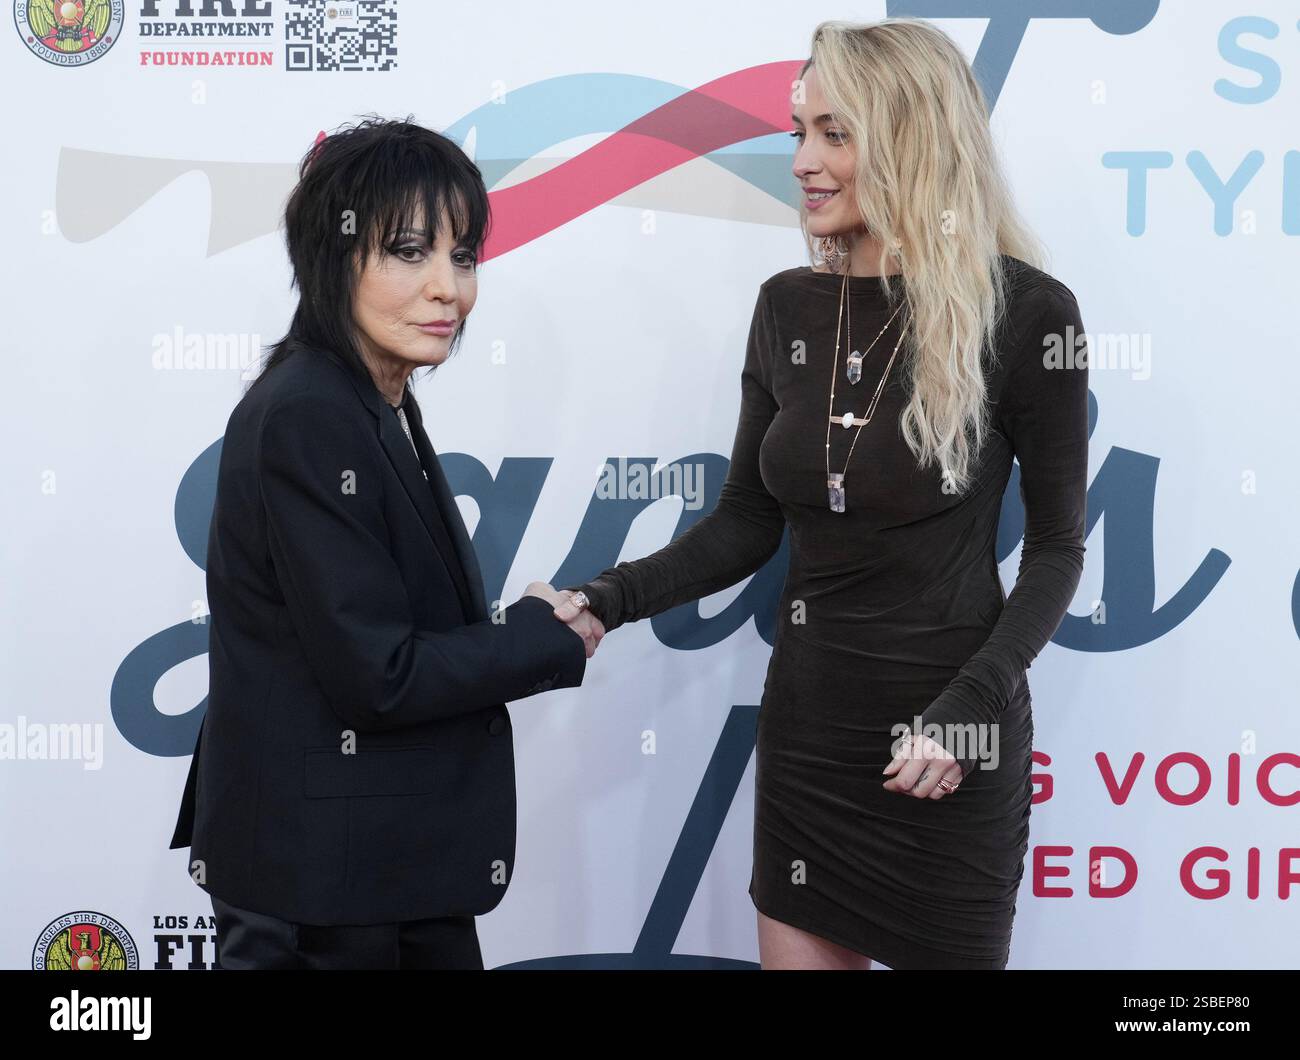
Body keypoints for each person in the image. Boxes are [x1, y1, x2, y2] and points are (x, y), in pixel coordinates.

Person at [550, 19, 1089, 969]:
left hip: (951, 745)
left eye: (833, 134)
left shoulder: (1032, 315)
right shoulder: (787, 307)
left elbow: (1056, 550)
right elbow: (745, 524)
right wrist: (605, 599)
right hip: (809, 740)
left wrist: (971, 705)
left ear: (911, 136)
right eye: (797, 131)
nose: (800, 161)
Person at [168, 116, 605, 970]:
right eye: (410, 252)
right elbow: (380, 675)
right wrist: (539, 639)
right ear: (335, 259)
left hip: (376, 865)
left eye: (464, 256)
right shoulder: (310, 413)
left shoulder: (375, 398)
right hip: (322, 887)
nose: (450, 289)